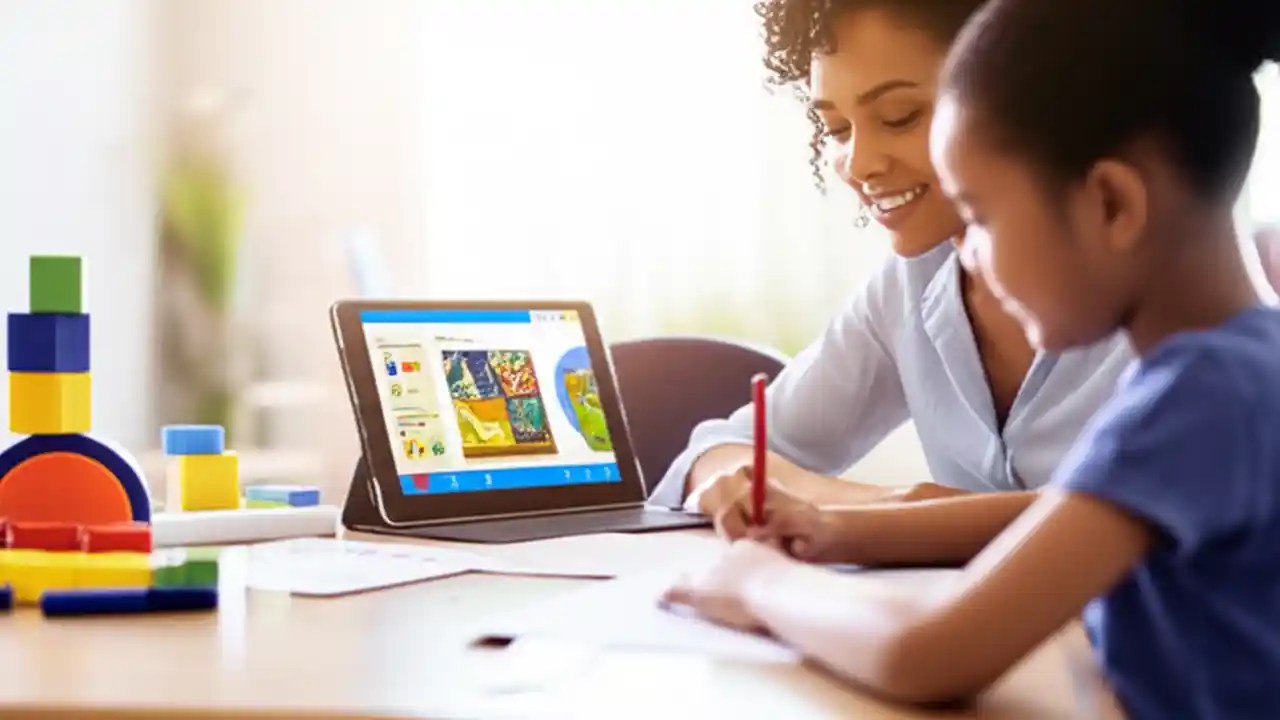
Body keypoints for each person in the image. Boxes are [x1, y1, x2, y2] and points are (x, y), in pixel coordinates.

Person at [662, 0, 1280, 716]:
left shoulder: (1196, 398)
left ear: (1111, 205)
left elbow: (922, 653)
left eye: (982, 218)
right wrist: (843, 527)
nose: (970, 258)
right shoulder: (1241, 368)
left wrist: (756, 582)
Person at [647, 0, 1133, 565]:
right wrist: (885, 504)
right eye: (836, 128)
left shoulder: (1164, 286)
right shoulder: (913, 282)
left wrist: (886, 523)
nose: (858, 164)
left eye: (900, 116)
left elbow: (1147, 511)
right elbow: (717, 453)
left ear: (1027, 96)